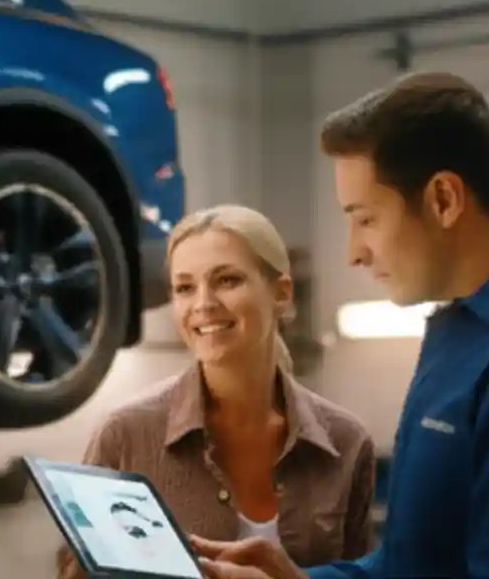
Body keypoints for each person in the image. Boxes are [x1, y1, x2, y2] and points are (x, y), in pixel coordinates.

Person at [191, 71, 489, 579]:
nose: (354, 252)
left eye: (365, 219)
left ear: (443, 200)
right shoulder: (461, 335)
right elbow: (413, 564)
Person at [58, 204, 377, 579]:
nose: (203, 304)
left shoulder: (347, 442)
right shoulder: (125, 434)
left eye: (227, 280)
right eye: (185, 287)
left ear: (281, 293)